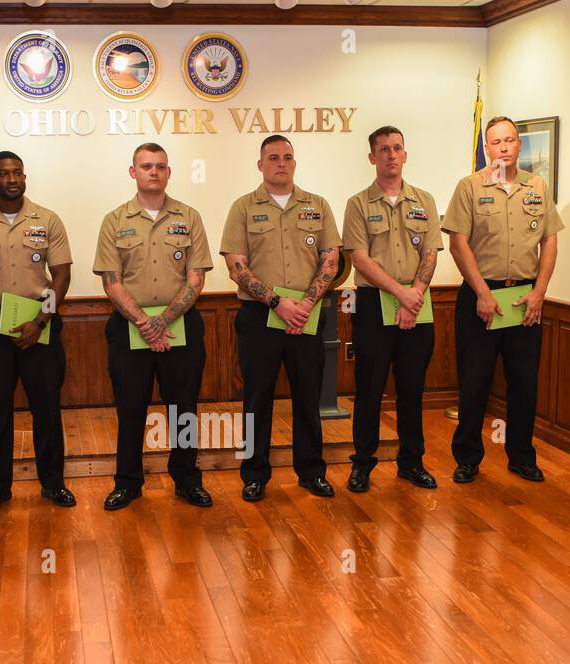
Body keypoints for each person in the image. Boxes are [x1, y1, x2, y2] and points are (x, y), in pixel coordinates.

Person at [220, 134, 341, 502]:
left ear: (294, 162)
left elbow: (331, 259)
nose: (281, 163)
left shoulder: (317, 206)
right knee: (257, 398)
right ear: (260, 164)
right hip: (260, 317)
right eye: (273, 157)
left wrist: (303, 304)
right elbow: (235, 265)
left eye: (288, 157)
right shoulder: (243, 207)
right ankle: (254, 474)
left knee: (309, 396)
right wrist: (277, 303)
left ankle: (311, 471)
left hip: (307, 314)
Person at [93, 143, 214, 511]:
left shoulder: (189, 217)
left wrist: (164, 320)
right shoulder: (115, 220)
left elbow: (195, 279)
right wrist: (146, 322)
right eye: (146, 166)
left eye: (161, 166)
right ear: (133, 172)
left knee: (185, 409)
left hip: (180, 326)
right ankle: (128, 483)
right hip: (130, 328)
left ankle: (187, 480)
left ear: (169, 172)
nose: (154, 172)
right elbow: (112, 282)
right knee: (131, 409)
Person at [442, 116, 563, 484]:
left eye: (510, 140)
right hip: (481, 298)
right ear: (487, 148)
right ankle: (468, 458)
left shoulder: (537, 186)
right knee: (475, 381)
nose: (505, 147)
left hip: (523, 298)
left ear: (519, 145)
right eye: (497, 142)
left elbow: (550, 240)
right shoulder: (470, 186)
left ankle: (522, 457)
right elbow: (458, 243)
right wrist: (481, 292)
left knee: (524, 383)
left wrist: (539, 293)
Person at [0, 151, 75, 513]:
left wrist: (39, 321)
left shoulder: (48, 220)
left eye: (17, 173)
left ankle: (54, 484)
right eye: (3, 174)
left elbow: (62, 276)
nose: (11, 179)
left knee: (48, 410)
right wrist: (3, 321)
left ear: (25, 177)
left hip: (42, 326)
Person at [341, 125, 443, 493]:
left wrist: (414, 294)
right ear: (372, 157)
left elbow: (430, 252)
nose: (391, 155)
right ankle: (363, 464)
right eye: (383, 149)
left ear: (405, 154)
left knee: (412, 389)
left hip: (418, 303)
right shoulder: (358, 203)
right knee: (369, 389)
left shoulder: (425, 201)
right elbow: (359, 258)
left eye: (397, 148)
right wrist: (402, 293)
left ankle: (411, 462)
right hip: (373, 304)